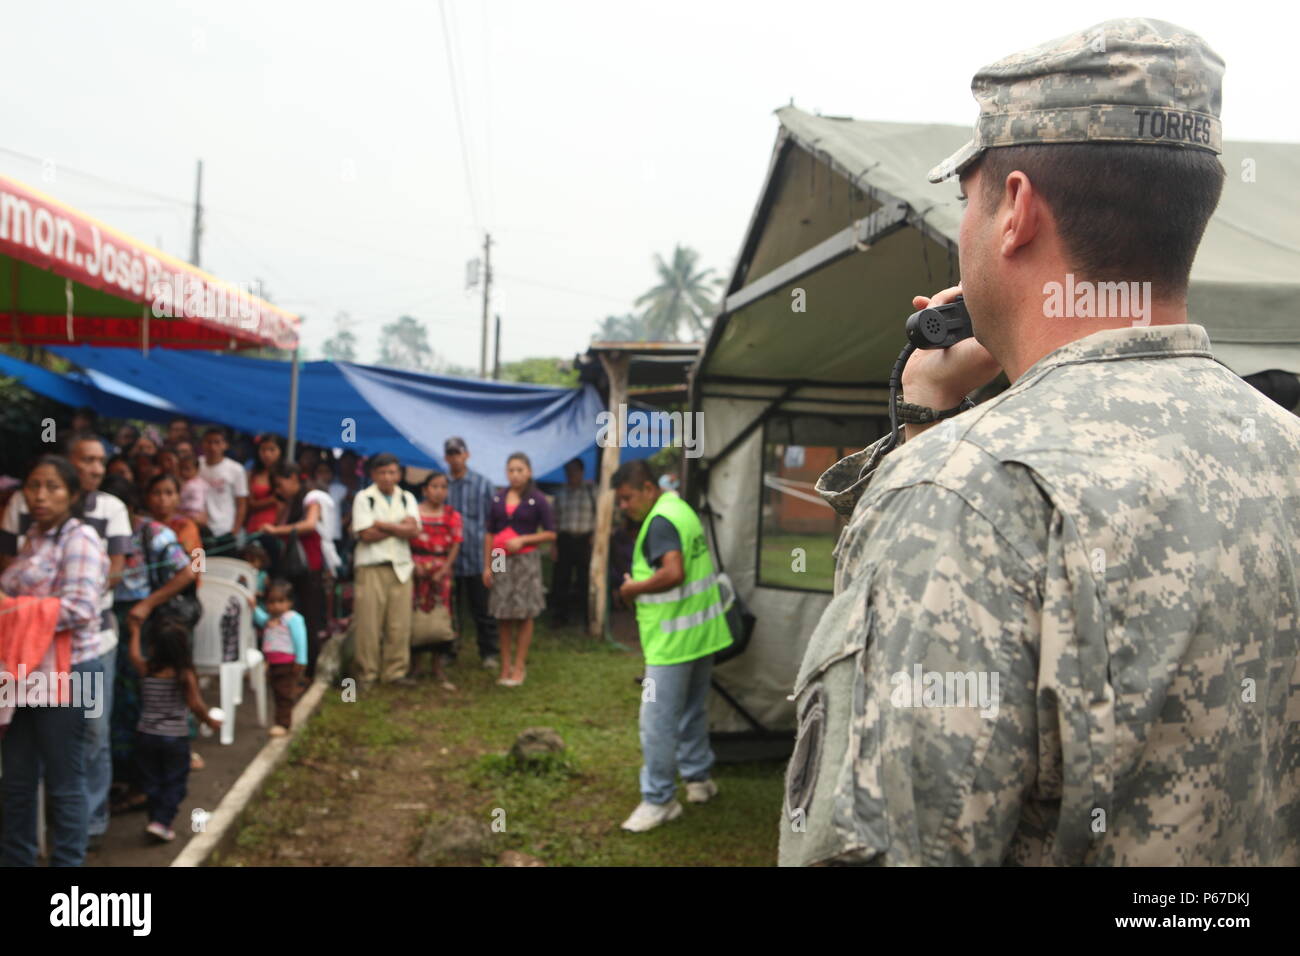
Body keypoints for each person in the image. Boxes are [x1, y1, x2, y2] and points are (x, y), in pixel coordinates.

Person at [779, 19, 1300, 867]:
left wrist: (933, 443)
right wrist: (928, 413)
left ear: (1015, 209)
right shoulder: (1286, 446)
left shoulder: (960, 495)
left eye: (967, 201)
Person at [1, 432, 131, 854]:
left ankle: (69, 868)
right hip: (28, 669)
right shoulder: (34, 539)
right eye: (34, 486)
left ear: (72, 494)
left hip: (72, 670)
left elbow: (79, 609)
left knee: (65, 775)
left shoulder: (80, 539)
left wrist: (15, 607)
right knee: (18, 776)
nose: (40, 496)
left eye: (52, 487)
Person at [611, 459, 732, 832]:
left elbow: (674, 572)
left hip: (673, 643)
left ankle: (660, 800)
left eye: (628, 497)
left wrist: (632, 589)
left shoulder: (660, 521)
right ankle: (698, 780)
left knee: (656, 724)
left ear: (648, 488)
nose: (623, 506)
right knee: (692, 710)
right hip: (701, 635)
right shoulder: (679, 507)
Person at [102, 474, 202, 789]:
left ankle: (153, 769)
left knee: (145, 688)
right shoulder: (94, 533)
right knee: (116, 694)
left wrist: (147, 605)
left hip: (144, 621)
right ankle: (121, 768)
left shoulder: (154, 534)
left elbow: (189, 571)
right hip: (110, 619)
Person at [126, 616, 220, 843]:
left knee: (152, 780)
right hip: (174, 738)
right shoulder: (184, 675)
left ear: (154, 647)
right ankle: (161, 822)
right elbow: (195, 704)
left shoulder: (147, 669)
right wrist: (208, 720)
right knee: (175, 782)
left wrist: (135, 631)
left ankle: (156, 820)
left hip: (146, 736)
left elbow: (133, 656)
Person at [483, 452, 556, 687]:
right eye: (511, 470)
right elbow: (490, 534)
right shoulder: (498, 499)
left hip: (525, 559)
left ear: (529, 472)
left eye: (520, 470)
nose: (515, 475)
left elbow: (551, 533)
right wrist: (488, 567)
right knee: (502, 610)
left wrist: (524, 540)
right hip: (500, 556)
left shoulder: (538, 499)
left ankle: (519, 665)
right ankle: (505, 665)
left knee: (524, 612)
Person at [350, 453, 420, 687]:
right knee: (368, 623)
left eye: (392, 472)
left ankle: (395, 671)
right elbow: (365, 534)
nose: (388, 477)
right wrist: (398, 528)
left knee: (399, 623)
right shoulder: (364, 498)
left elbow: (413, 530)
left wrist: (383, 525)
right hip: (371, 566)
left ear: (399, 474)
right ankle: (366, 673)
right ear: (373, 475)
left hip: (400, 566)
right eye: (382, 473)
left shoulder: (406, 497)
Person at [263, 464, 331, 677]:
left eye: (279, 484)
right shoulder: (291, 503)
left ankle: (308, 670)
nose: (278, 490)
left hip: (309, 568)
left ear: (293, 478)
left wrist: (276, 530)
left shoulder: (311, 498)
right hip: (295, 571)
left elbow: (309, 525)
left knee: (309, 620)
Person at [444, 437, 499, 671]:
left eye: (458, 453)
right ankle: (448, 650)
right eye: (450, 454)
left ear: (467, 455)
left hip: (478, 557)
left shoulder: (483, 484)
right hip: (450, 559)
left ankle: (489, 652)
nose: (455, 458)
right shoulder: (442, 485)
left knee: (483, 609)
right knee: (450, 609)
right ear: (446, 458)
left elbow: (495, 524)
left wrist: (496, 564)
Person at [411, 471, 462, 689]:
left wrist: (445, 569)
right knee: (416, 614)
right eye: (434, 486)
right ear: (424, 490)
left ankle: (437, 666)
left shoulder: (452, 515)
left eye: (443, 487)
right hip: (417, 570)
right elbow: (404, 542)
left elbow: (456, 545)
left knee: (440, 616)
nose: (439, 491)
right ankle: (415, 665)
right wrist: (414, 566)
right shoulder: (413, 513)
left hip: (442, 572)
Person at [253, 579, 308, 735]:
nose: (276, 606)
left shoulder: (292, 618)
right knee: (277, 692)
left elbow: (300, 640)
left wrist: (301, 660)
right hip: (273, 663)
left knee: (284, 694)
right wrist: (253, 607)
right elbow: (260, 619)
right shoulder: (270, 619)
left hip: (287, 663)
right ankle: (280, 720)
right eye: (271, 602)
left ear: (289, 602)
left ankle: (283, 723)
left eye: (280, 601)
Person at [550, 457, 597, 627]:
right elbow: (553, 521)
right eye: (569, 471)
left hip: (586, 539)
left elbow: (601, 516)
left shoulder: (592, 491)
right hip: (565, 539)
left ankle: (587, 617)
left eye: (575, 471)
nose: (572, 475)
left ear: (582, 472)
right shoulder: (560, 493)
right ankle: (559, 616)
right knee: (561, 579)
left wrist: (595, 537)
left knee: (585, 579)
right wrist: (553, 544)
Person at [198, 427, 248, 555]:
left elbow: (241, 504)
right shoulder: (196, 465)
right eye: (209, 442)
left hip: (225, 531)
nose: (213, 447)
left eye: (217, 442)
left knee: (223, 569)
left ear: (225, 445)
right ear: (203, 444)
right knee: (199, 568)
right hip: (200, 529)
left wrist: (235, 530)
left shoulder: (236, 469)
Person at [144, 472, 203, 558]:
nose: (162, 498)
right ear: (148, 497)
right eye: (156, 493)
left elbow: (180, 556)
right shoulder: (143, 526)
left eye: (169, 493)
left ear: (178, 497)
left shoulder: (186, 526)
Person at [245, 435, 285, 540]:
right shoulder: (252, 474)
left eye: (272, 450)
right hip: (253, 527)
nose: (267, 454)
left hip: (276, 529)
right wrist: (273, 500)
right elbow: (249, 503)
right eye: (263, 449)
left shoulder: (285, 475)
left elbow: (284, 505)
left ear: (281, 451)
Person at [176, 453, 208, 527]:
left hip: (193, 515)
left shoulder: (192, 485)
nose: (183, 472)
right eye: (181, 468)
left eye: (187, 469)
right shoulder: (202, 483)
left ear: (196, 469)